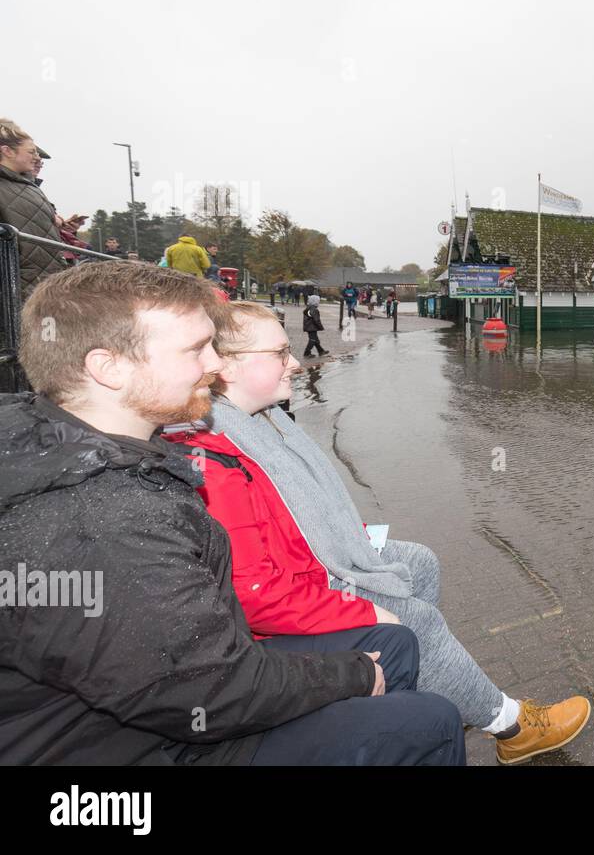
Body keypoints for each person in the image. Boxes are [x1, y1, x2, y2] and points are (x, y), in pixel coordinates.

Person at [0, 261, 465, 764]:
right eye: (195, 350)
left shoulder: (76, 448)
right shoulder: (104, 520)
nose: (215, 365)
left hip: (160, 692)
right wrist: (351, 673)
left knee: (395, 648)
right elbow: (203, 691)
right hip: (137, 743)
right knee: (428, 721)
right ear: (108, 367)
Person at [164, 301, 592, 764]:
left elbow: (301, 515)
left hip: (304, 564)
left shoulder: (257, 422)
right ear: (226, 366)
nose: (294, 363)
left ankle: (432, 680)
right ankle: (509, 726)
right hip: (284, 597)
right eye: (280, 352)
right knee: (414, 619)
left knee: (419, 560)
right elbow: (255, 593)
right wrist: (369, 608)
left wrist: (353, 535)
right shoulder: (216, 455)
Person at [0, 118, 64, 299]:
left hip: (44, 287)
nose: (37, 157)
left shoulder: (30, 187)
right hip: (16, 293)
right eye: (31, 152)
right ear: (7, 151)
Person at [302, 293, 328, 357]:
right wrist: (320, 327)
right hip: (311, 327)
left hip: (309, 326)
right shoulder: (314, 309)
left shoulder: (309, 308)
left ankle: (321, 351)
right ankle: (307, 353)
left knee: (315, 340)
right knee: (312, 340)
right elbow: (316, 320)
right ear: (315, 302)